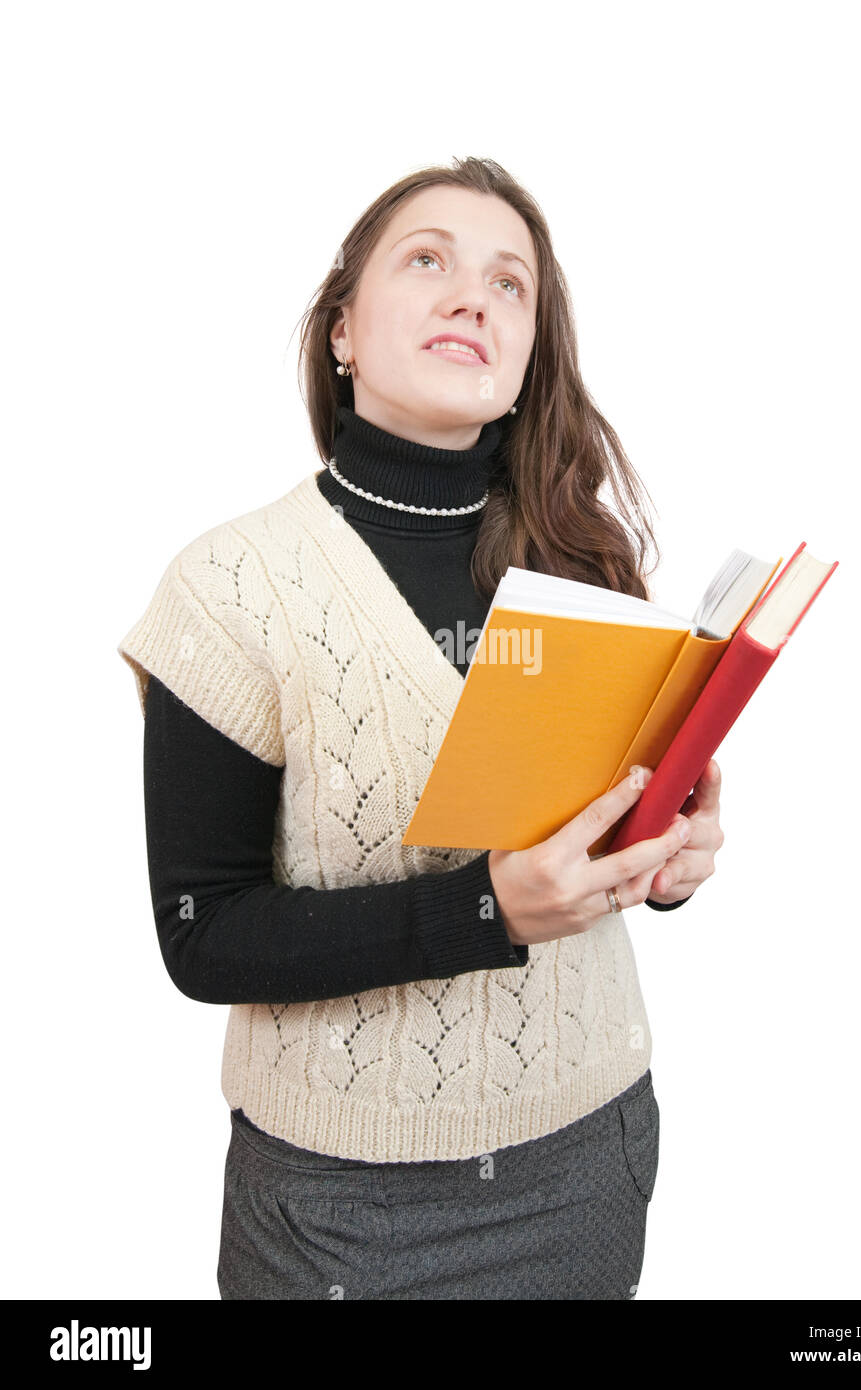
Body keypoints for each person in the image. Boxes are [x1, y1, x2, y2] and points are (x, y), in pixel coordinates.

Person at [118, 156, 724, 1300]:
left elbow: (600, 854)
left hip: (589, 1155)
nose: (471, 297)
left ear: (530, 349)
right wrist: (486, 907)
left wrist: (671, 849)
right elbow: (205, 936)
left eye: (511, 285)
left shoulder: (583, 560)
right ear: (343, 326)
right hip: (342, 1211)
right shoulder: (229, 589)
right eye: (429, 260)